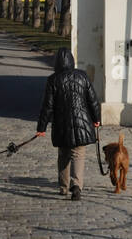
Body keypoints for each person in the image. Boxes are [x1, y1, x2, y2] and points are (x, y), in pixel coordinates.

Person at [36, 46, 101, 200]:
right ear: (72, 61)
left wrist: (41, 127)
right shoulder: (82, 76)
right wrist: (96, 119)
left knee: (64, 155)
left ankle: (64, 187)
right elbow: (93, 100)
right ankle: (77, 185)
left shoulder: (53, 80)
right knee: (78, 154)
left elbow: (48, 106)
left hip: (61, 124)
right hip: (82, 122)